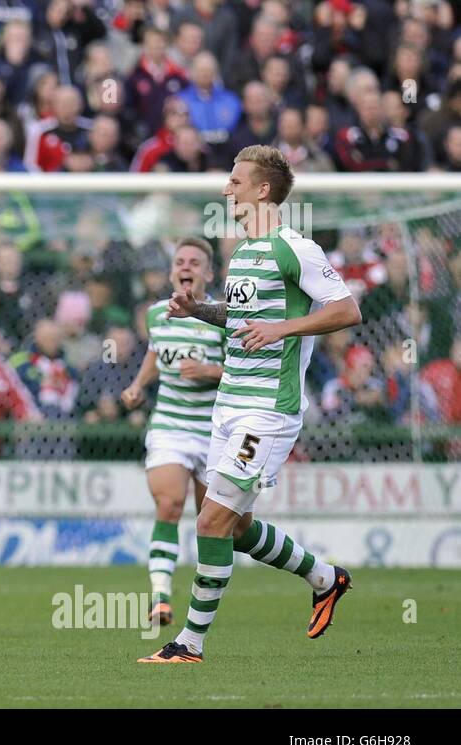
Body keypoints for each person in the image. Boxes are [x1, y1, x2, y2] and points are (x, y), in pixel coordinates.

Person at [141, 146, 360, 664]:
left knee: (210, 523)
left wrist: (284, 328)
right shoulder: (244, 252)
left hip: (268, 410)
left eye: (235, 181)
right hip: (228, 405)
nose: (226, 190)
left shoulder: (294, 249)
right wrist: (201, 311)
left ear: (262, 190)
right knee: (235, 529)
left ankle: (188, 645)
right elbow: (243, 322)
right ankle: (326, 579)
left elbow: (347, 309)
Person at [120, 237, 226, 626]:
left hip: (214, 431)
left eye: (195, 262)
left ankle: (203, 608)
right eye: (180, 261)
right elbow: (154, 352)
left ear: (209, 273)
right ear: (171, 272)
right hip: (169, 427)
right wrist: (137, 385)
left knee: (210, 522)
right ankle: (160, 597)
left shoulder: (221, 316)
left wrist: (210, 372)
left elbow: (242, 370)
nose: (186, 267)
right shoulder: (156, 315)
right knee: (168, 505)